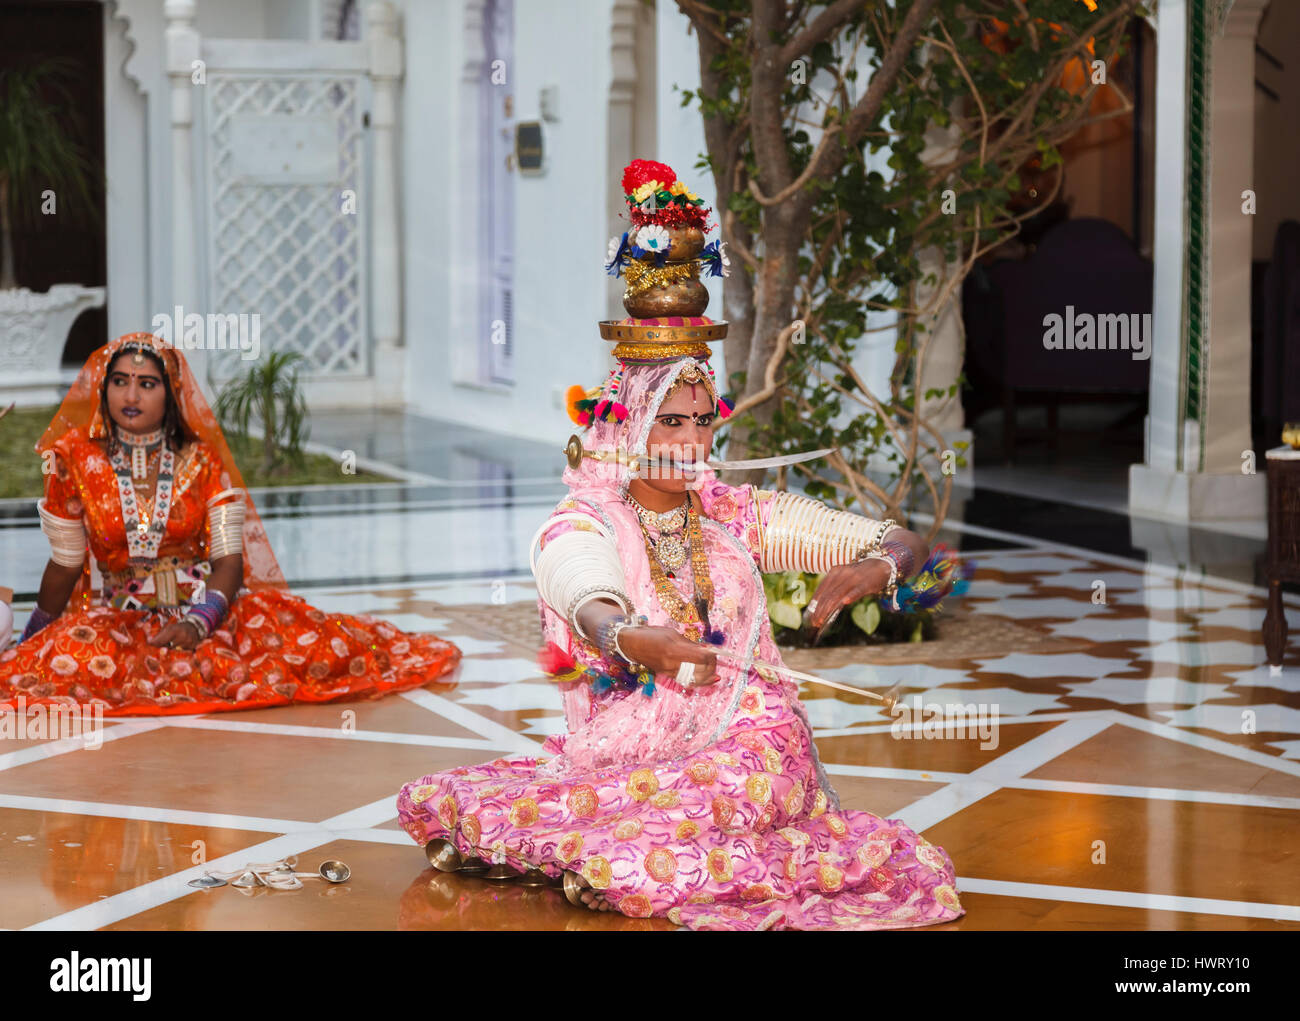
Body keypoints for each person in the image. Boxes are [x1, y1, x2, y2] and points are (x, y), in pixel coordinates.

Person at [395, 160, 963, 930]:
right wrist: (626, 635)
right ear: (630, 422)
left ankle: (633, 852)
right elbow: (579, 583)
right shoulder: (591, 515)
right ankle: (615, 849)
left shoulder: (731, 510)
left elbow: (904, 537)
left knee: (739, 792)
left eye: (702, 420)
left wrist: (879, 563)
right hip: (632, 741)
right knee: (636, 827)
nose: (693, 440)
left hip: (756, 745)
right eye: (672, 421)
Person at [0, 331, 460, 714]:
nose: (131, 395)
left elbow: (229, 560)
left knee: (311, 653)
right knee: (65, 669)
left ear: (171, 392)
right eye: (119, 381)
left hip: (210, 614)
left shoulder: (202, 460)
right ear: (104, 390)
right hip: (121, 620)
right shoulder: (73, 460)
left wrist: (200, 622)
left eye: (147, 383)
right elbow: (65, 565)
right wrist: (31, 639)